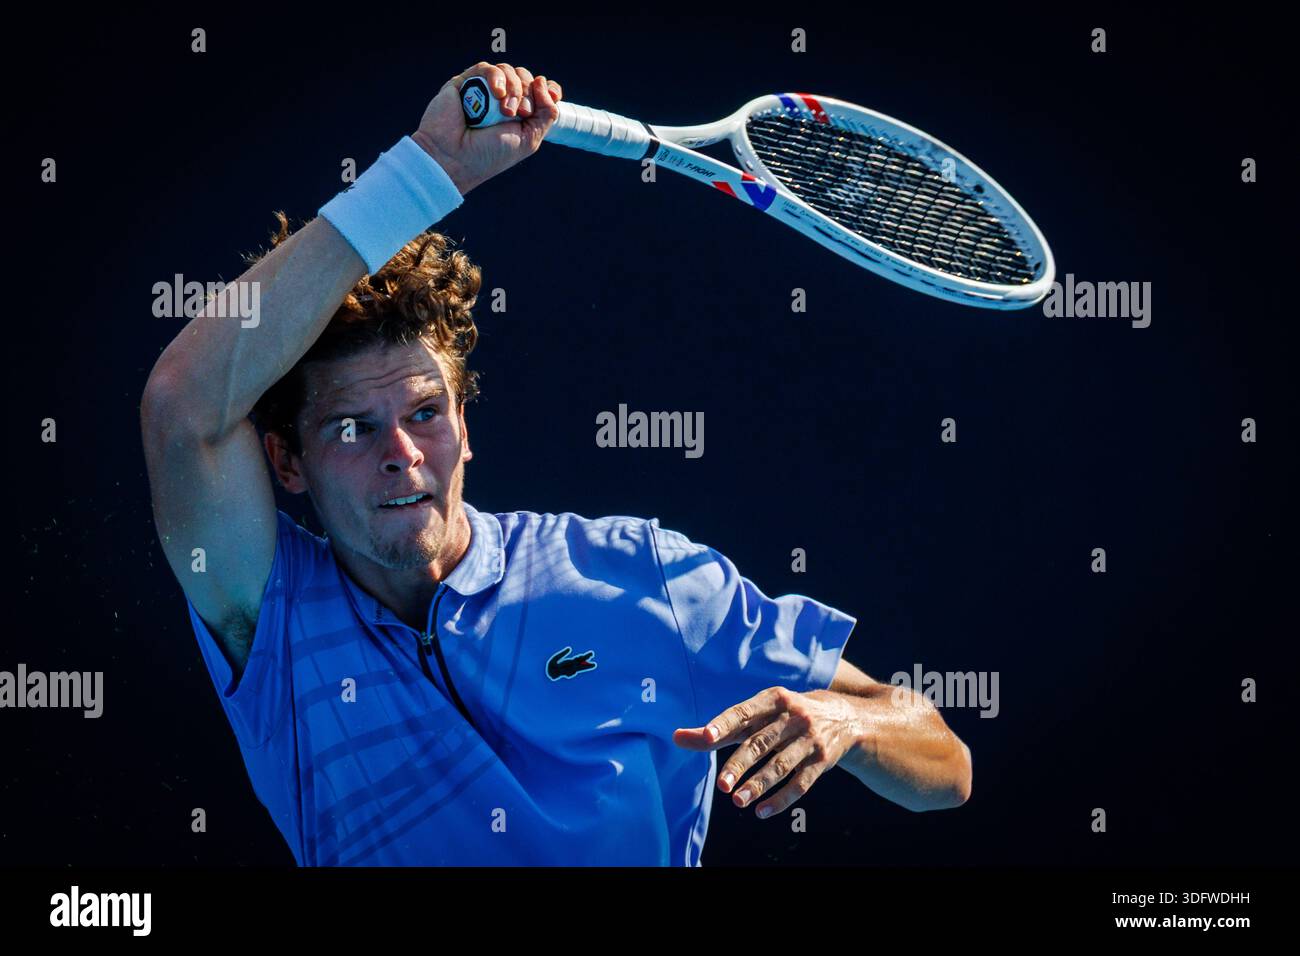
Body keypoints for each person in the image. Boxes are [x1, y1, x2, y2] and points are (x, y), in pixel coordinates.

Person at [140, 61, 972, 865]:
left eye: (425, 414)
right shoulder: (272, 617)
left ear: (465, 428)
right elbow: (183, 408)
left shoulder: (641, 577)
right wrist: (426, 172)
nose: (401, 452)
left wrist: (849, 723)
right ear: (287, 462)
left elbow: (945, 764)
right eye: (353, 428)